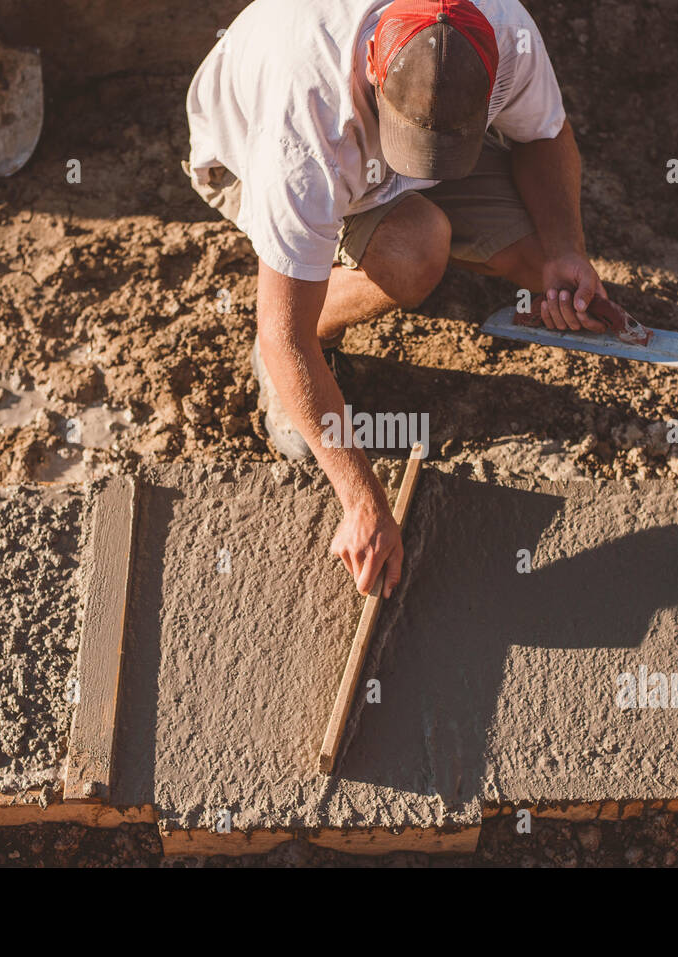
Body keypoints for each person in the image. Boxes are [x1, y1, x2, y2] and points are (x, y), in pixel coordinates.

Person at [185, 0, 608, 597]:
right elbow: (287, 339)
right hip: (246, 158)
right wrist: (361, 499)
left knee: (544, 266)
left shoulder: (503, 29)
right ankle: (346, 292)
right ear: (374, 70)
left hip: (393, 147)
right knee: (416, 253)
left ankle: (434, 204)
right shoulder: (303, 132)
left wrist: (568, 248)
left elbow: (544, 135)